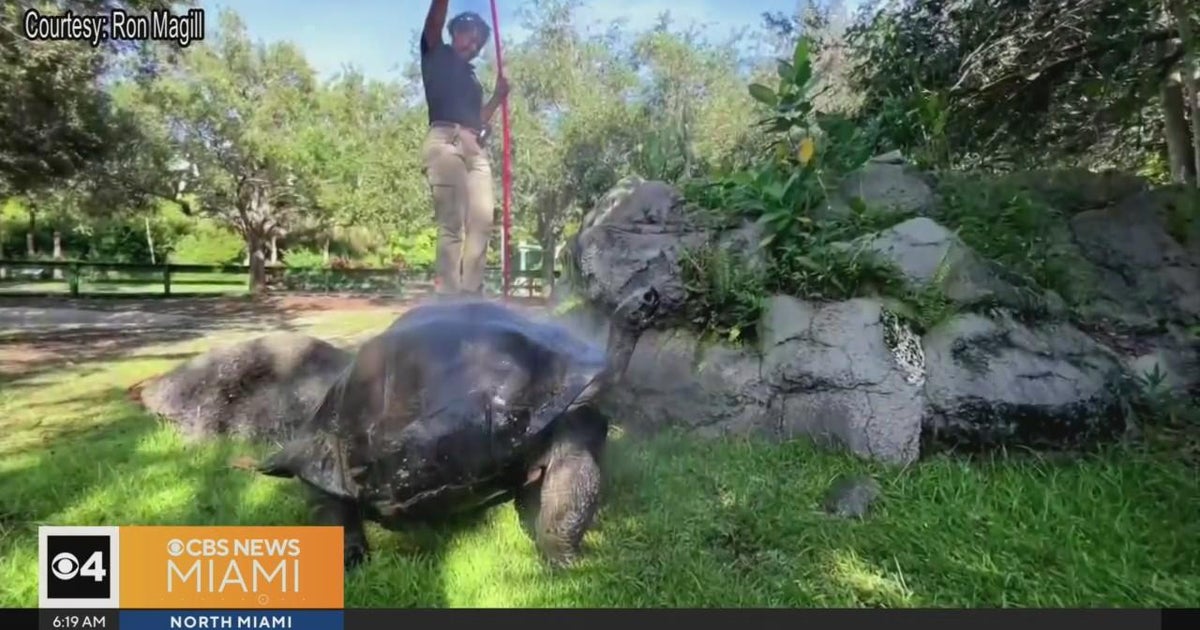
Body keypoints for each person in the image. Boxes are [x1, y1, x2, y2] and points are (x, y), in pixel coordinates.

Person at [420, 0, 510, 295]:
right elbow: (434, 20)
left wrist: (497, 97)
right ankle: (448, 295)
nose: (473, 44)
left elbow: (478, 118)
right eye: (468, 35)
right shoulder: (436, 53)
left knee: (483, 220)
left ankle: (472, 292)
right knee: (452, 222)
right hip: (446, 141)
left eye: (479, 41)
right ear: (454, 32)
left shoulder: (473, 79)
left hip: (474, 146)